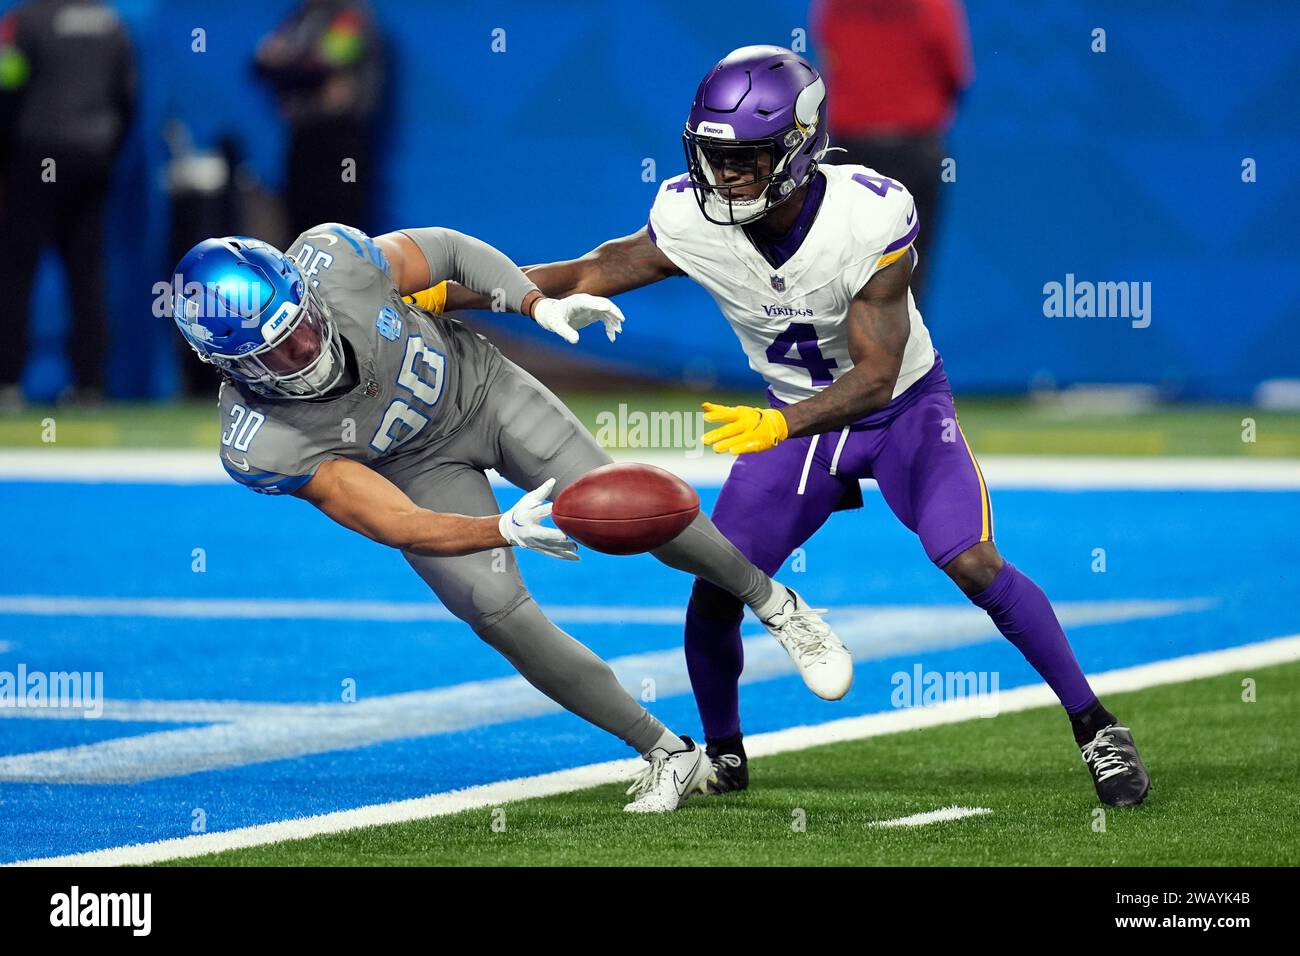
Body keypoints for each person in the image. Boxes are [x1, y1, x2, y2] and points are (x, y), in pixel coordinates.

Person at [444, 46, 1150, 806]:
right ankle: (725, 757)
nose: (728, 176)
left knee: (972, 560)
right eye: (715, 157)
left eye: (748, 158)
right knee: (717, 588)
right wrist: (453, 295)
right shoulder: (690, 217)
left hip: (900, 411)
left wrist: (780, 425)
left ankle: (1097, 726)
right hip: (791, 420)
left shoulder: (867, 215)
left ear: (801, 147)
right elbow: (588, 270)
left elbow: (875, 375)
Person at [169, 219, 851, 813]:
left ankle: (776, 603)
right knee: (496, 609)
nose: (304, 352)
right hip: (416, 472)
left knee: (627, 504)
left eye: (303, 327)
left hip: (484, 391)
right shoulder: (262, 440)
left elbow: (451, 253)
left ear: (306, 292)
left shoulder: (337, 260)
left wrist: (534, 304)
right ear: (229, 368)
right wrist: (498, 529)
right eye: (275, 353)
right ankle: (667, 752)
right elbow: (395, 523)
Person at [0, 0, 136, 405]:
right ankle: (90, 385)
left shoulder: (24, 22)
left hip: (36, 156)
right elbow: (127, 98)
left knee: (15, 272)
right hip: (93, 158)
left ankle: (7, 382)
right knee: (87, 274)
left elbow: (6, 90)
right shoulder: (111, 24)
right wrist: (105, 149)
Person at [813, 0, 972, 304]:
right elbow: (955, 73)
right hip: (912, 152)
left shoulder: (834, 5)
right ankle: (899, 349)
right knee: (905, 287)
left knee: (842, 281)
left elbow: (829, 53)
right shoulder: (934, 4)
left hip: (848, 154)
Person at [253, 0, 382, 234]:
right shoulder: (298, 17)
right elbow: (260, 64)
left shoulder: (350, 16)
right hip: (301, 138)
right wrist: (302, 72)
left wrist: (287, 65)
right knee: (298, 229)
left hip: (340, 143)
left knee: (338, 231)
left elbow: (326, 62)